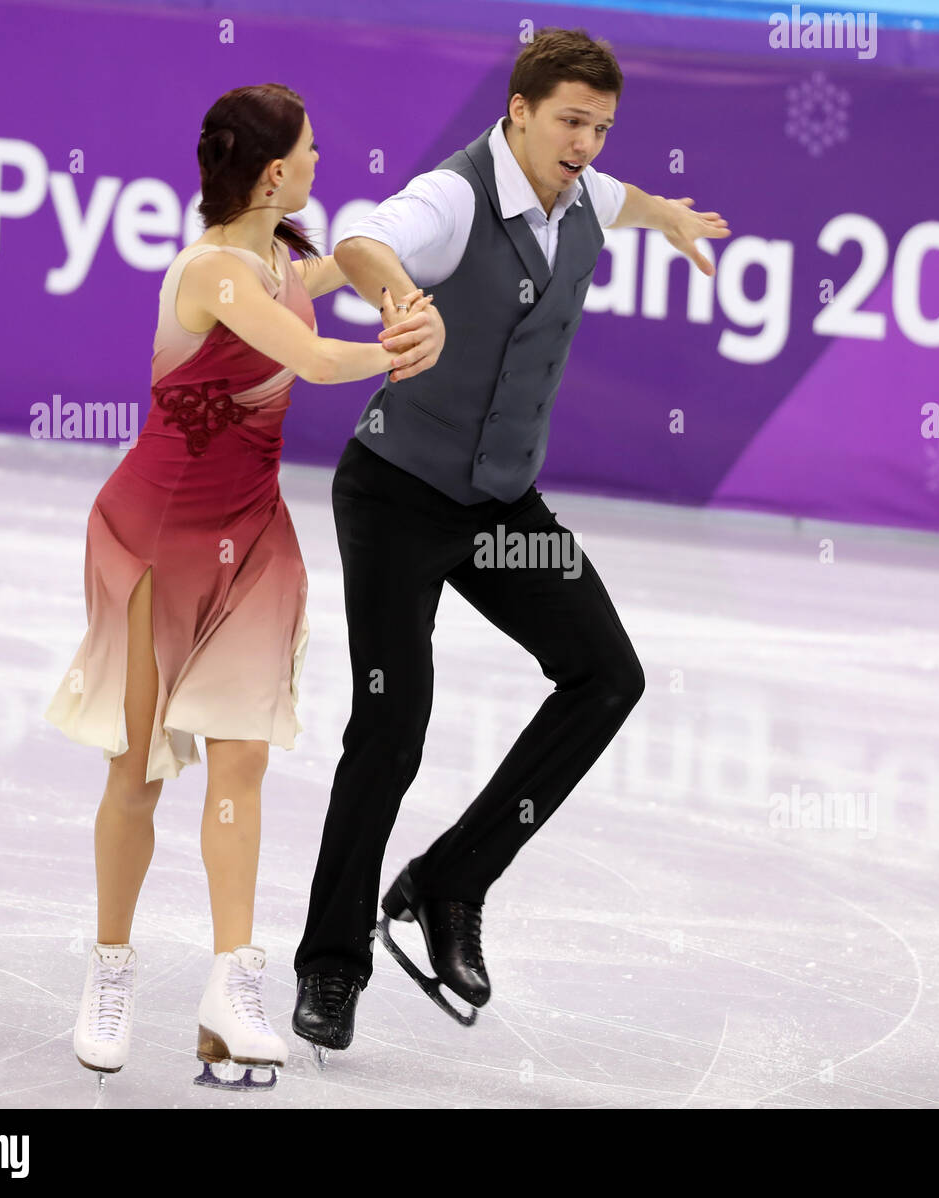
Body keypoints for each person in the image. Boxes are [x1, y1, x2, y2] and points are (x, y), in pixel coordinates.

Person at [291, 28, 730, 1049]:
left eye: (603, 128)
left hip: (499, 518)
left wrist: (664, 213)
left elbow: (617, 197)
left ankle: (450, 882)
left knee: (605, 676)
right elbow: (363, 241)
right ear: (518, 111)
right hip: (398, 496)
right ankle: (329, 961)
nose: (586, 142)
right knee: (390, 732)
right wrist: (401, 298)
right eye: (571, 120)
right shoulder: (456, 197)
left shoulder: (581, 194)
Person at [43, 83, 441, 1089]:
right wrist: (399, 351)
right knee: (137, 772)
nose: (318, 159)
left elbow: (341, 260)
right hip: (154, 542)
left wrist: (390, 288)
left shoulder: (275, 257)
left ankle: (230, 988)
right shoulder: (213, 272)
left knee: (242, 766)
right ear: (272, 171)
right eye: (308, 149)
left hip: (253, 538)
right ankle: (110, 967)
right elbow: (306, 355)